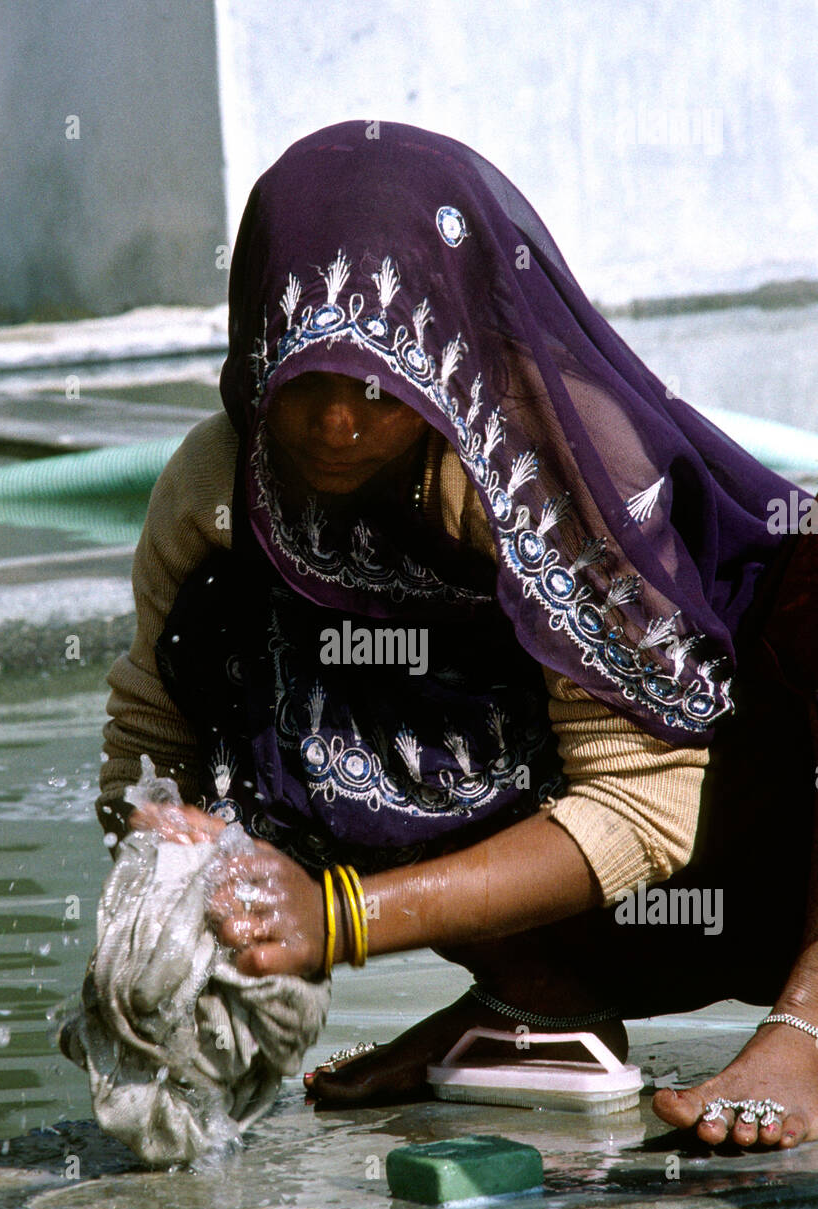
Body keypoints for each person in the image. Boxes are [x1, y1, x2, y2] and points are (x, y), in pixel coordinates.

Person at [97, 120, 818, 1149]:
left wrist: (339, 919)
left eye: (376, 389)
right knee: (244, 647)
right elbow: (146, 733)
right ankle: (535, 997)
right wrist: (171, 852)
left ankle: (809, 1026)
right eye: (306, 382)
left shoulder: (550, 466)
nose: (336, 426)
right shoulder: (219, 490)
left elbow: (645, 806)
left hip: (748, 832)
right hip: (557, 888)